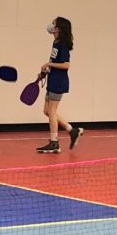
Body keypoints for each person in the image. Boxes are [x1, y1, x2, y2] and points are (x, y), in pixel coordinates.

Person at [37, 15, 81, 154]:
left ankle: (54, 143)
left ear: (58, 28)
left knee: (52, 112)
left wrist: (49, 64)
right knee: (47, 111)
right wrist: (45, 72)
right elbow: (55, 63)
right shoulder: (56, 42)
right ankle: (72, 130)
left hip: (59, 82)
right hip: (52, 79)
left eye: (53, 23)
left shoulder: (62, 45)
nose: (50, 25)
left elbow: (66, 65)